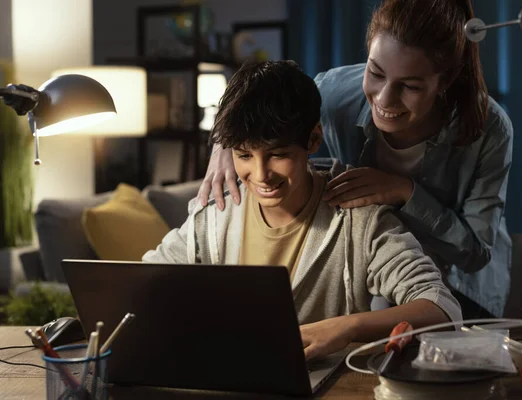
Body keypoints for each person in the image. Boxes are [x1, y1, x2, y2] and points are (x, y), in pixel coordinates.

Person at [197, 0, 513, 319]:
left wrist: (405, 192)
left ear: (445, 81)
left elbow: (475, 253)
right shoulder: (335, 95)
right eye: (375, 73)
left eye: (410, 86)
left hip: (461, 286)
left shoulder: (490, 129)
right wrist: (226, 141)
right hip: (376, 277)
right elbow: (265, 99)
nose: (385, 99)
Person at [143, 60, 461, 360]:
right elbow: (142, 285)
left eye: (277, 154)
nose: (261, 174)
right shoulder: (215, 215)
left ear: (313, 140)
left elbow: (443, 309)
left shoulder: (359, 220)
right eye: (243, 155)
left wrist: (348, 327)